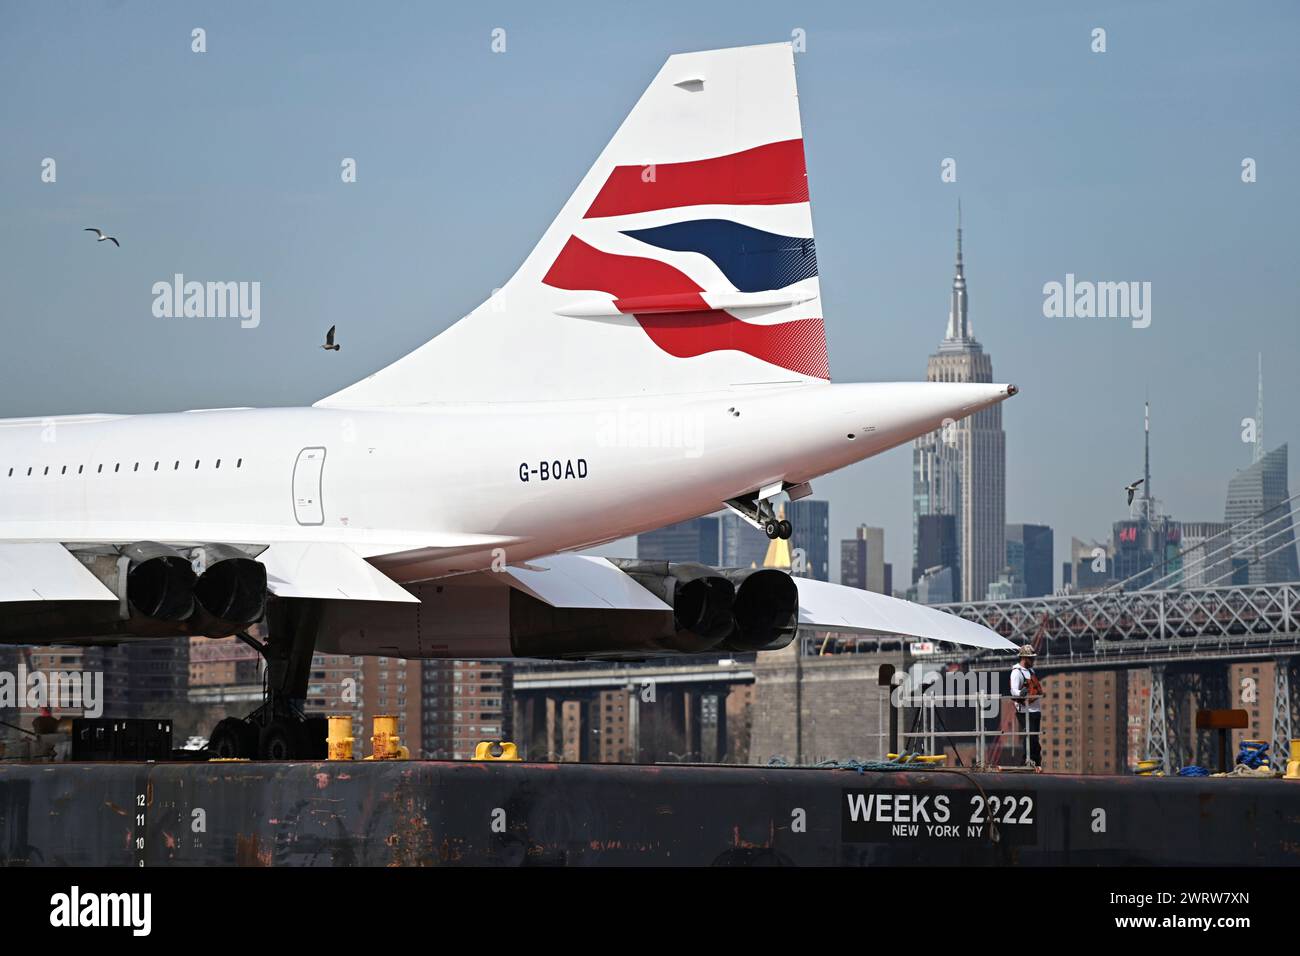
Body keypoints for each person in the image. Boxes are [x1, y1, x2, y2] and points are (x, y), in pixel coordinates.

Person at [1009, 644, 1042, 767]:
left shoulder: (1030, 671)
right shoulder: (1016, 672)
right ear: (1024, 658)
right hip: (1024, 711)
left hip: (1035, 710)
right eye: (1031, 658)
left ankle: (1035, 762)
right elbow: (1013, 690)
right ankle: (1026, 762)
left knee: (1034, 738)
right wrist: (1020, 693)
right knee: (1030, 737)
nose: (1033, 660)